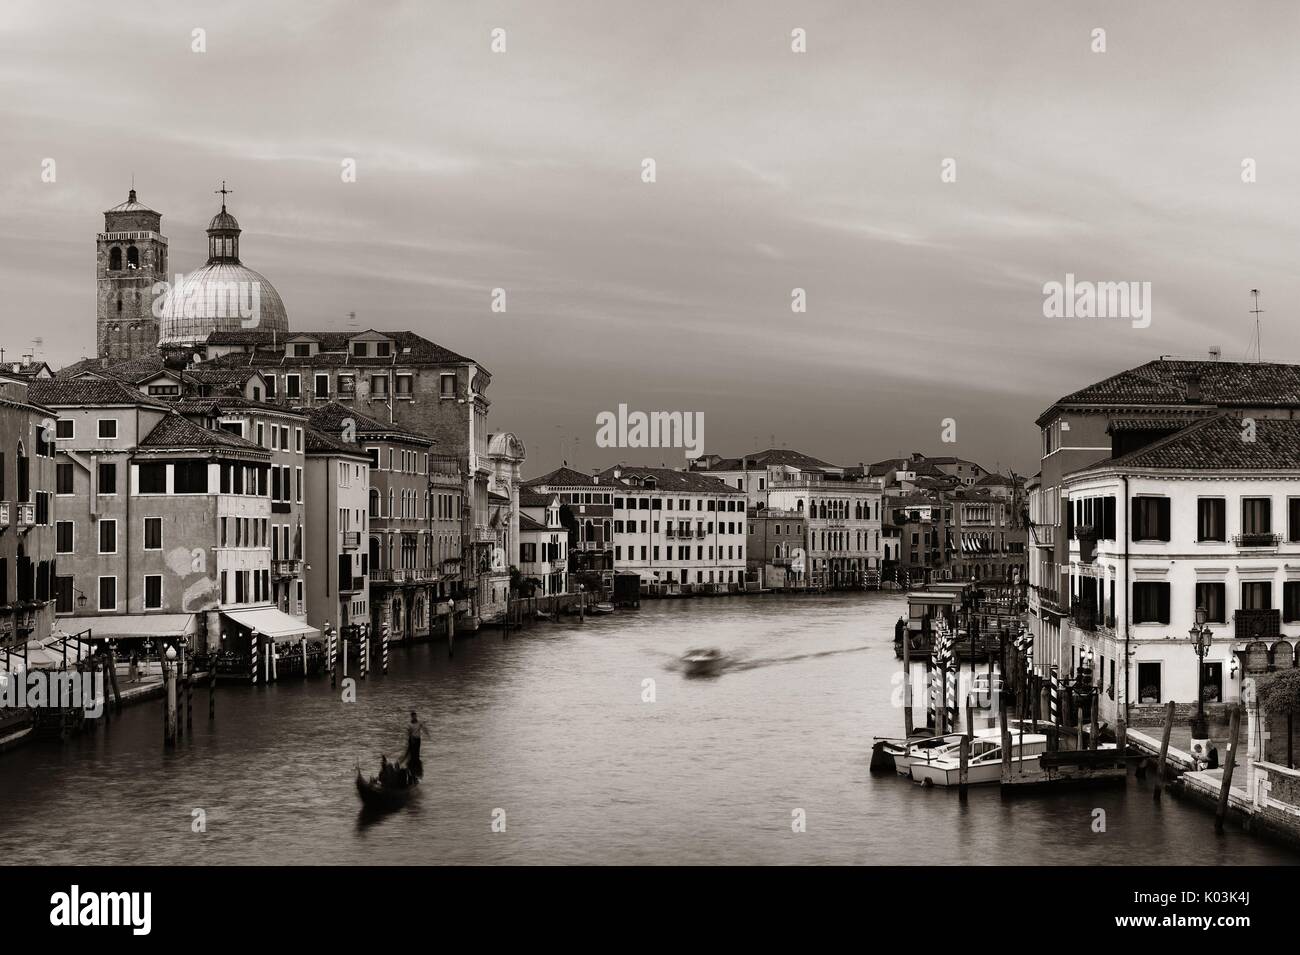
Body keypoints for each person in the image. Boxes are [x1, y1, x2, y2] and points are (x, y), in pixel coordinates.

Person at [406, 711, 428, 777]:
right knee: (412, 753)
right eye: (413, 716)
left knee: (417, 753)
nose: (414, 717)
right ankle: (412, 767)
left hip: (418, 739)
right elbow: (409, 733)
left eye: (415, 716)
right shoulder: (410, 724)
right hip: (412, 739)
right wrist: (411, 739)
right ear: (411, 717)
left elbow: (424, 728)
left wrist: (427, 733)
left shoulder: (419, 723)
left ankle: (417, 767)